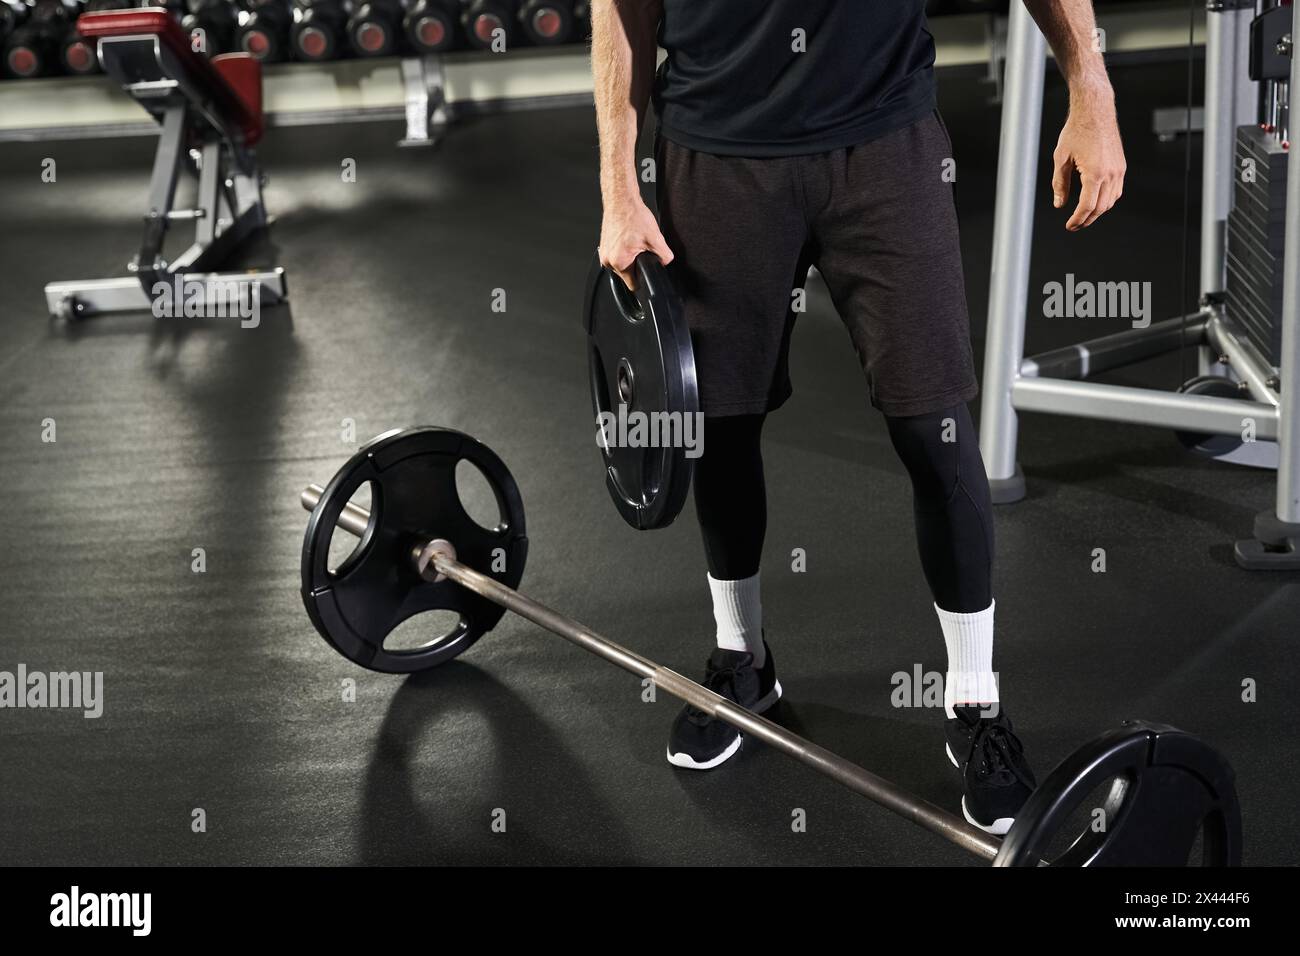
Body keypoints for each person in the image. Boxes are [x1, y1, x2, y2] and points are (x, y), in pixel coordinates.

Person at [591, 0, 1127, 834]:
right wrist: (618, 186)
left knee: (934, 429)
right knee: (721, 427)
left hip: (886, 147)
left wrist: (1091, 90)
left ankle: (976, 704)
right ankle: (744, 662)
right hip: (715, 154)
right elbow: (622, 9)